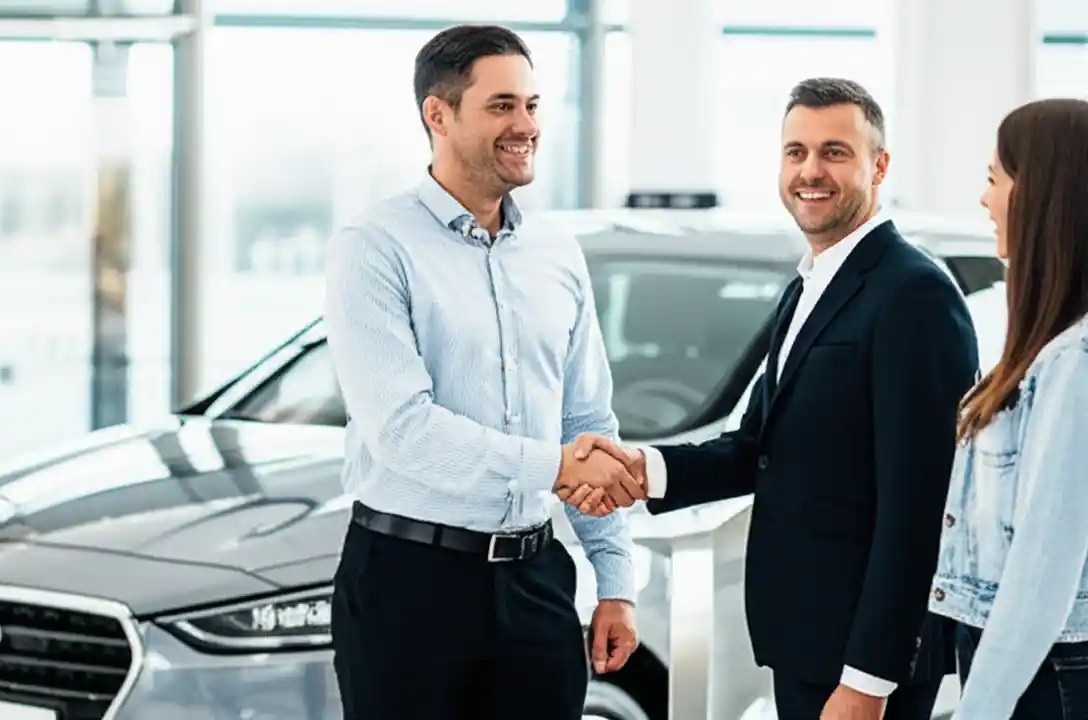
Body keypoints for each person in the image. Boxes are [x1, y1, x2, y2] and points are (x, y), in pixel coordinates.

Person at [569, 77, 980, 720]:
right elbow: (759, 448)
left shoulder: (913, 293)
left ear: (879, 166)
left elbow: (921, 507)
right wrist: (640, 468)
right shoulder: (811, 284)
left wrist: (869, 680)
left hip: (861, 665)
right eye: (796, 152)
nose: (810, 171)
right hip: (804, 644)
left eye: (834, 152)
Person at [324, 24, 645, 720]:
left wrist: (614, 578)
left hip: (538, 583)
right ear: (437, 115)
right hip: (410, 585)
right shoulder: (375, 247)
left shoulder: (557, 253)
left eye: (532, 105)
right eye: (502, 106)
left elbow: (587, 420)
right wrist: (554, 466)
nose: (526, 125)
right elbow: (403, 431)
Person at [927, 97, 1088, 719]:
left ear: (1043, 195)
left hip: (1049, 674)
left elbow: (1043, 568)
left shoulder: (1073, 362)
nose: (985, 198)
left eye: (995, 178)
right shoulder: (1048, 347)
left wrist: (980, 710)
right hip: (1034, 666)